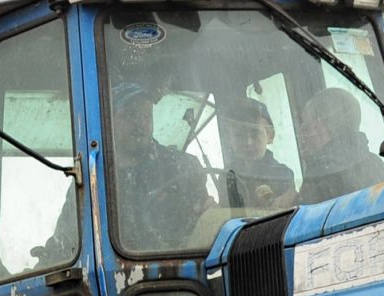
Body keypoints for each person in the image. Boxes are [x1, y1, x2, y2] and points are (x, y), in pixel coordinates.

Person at [109, 84, 211, 254]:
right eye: (130, 115)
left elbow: (203, 225)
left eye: (146, 116)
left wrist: (209, 215)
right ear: (108, 121)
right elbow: (68, 238)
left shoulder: (182, 167)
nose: (140, 124)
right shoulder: (95, 177)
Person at [295, 87, 384, 203]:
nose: (300, 133)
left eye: (305, 126)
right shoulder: (375, 163)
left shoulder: (320, 175)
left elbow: (305, 217)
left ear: (317, 126)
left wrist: (292, 202)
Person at [216, 98, 297, 210]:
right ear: (229, 140)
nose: (248, 142)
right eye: (239, 135)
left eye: (255, 133)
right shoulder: (227, 176)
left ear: (270, 135)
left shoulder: (282, 175)